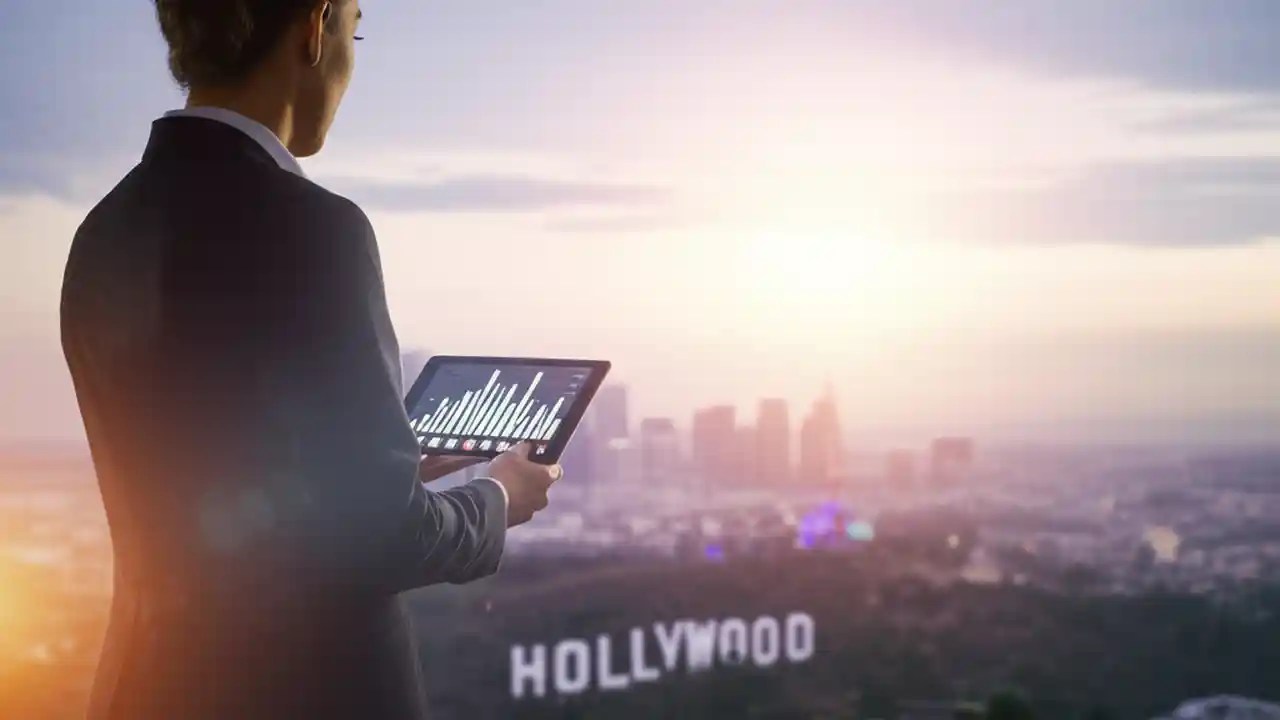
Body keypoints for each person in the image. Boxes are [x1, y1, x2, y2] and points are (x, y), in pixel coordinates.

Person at [59, 1, 561, 717]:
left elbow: (214, 476)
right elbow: (387, 538)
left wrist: (379, 468)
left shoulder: (104, 231)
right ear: (315, 26)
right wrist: (499, 498)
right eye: (355, 27)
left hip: (144, 689)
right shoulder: (315, 228)